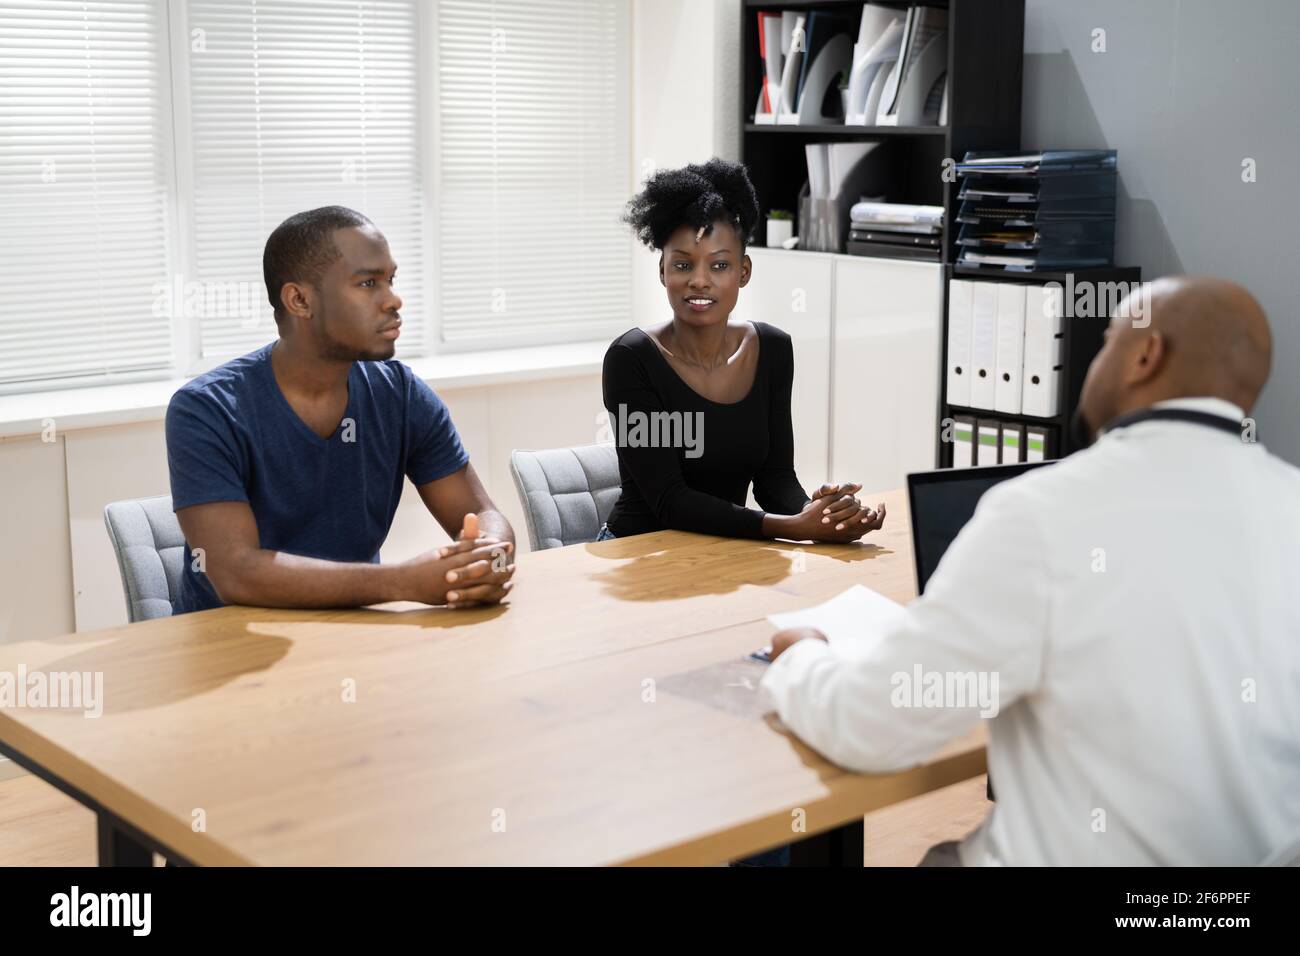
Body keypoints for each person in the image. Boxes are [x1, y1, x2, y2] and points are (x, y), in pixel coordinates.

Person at [761, 275, 1300, 866]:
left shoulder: (1046, 510)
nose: (1095, 360)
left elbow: (870, 727)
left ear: (1146, 356)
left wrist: (804, 654)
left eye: (1108, 339)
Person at [165, 206, 515, 614]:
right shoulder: (206, 409)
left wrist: (488, 555)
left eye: (391, 280)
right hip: (229, 645)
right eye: (368, 283)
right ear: (299, 300)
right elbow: (235, 573)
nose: (394, 300)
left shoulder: (400, 394)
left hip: (355, 634)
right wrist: (404, 581)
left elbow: (480, 512)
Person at [600, 158, 886, 545]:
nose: (699, 281)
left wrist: (822, 515)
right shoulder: (631, 359)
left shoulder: (772, 349)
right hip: (640, 554)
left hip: (728, 551)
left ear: (744, 271)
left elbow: (775, 480)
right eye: (683, 264)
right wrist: (792, 528)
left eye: (719, 265)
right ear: (663, 271)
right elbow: (670, 501)